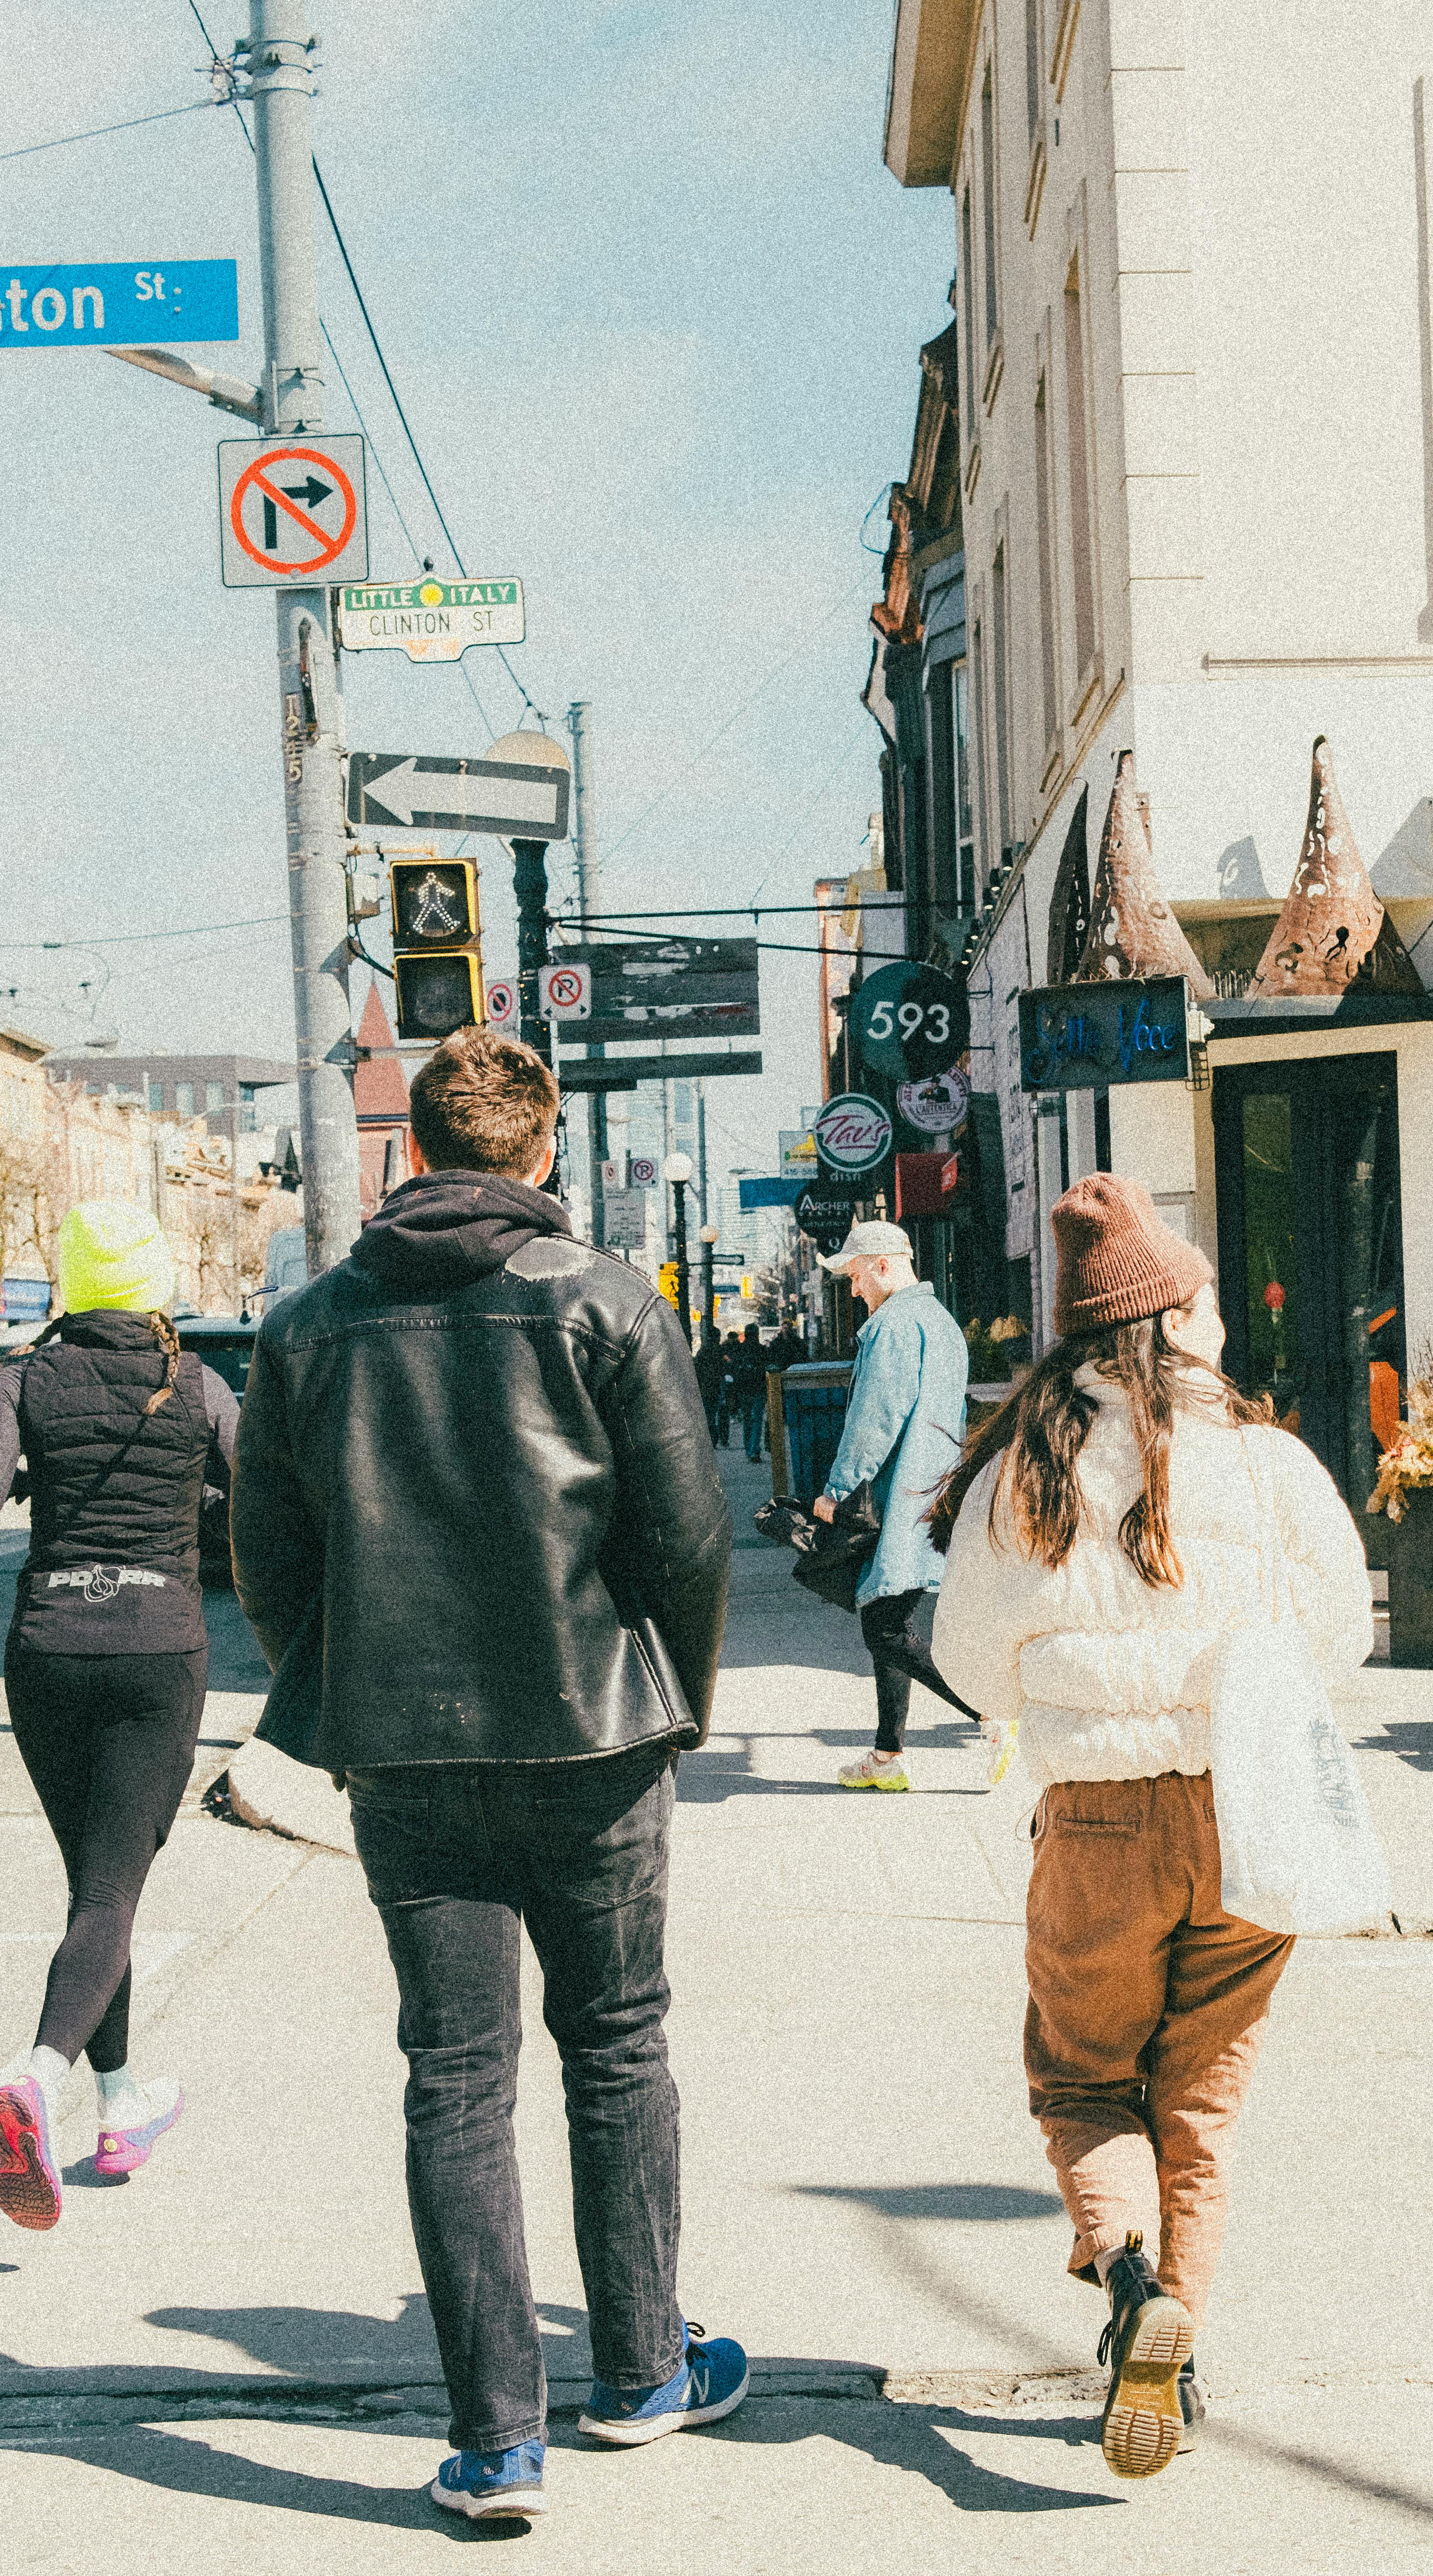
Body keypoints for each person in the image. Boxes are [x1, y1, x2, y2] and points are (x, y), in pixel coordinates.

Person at [230, 1027, 746, 2525]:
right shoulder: (600, 1299)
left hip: (405, 1750)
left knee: (454, 2076)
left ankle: (493, 2440)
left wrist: (338, 1677)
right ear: (541, 1152)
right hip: (596, 1736)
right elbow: (690, 1531)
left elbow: (271, 1550)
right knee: (617, 2043)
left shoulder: (314, 1321)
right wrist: (676, 1696)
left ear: (413, 1150)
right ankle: (642, 2371)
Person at [930, 1174, 1371, 2480]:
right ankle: (1177, 2320)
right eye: (1206, 1298)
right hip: (1247, 1816)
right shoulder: (1268, 1458)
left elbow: (969, 1659)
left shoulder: (1027, 1466)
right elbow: (1339, 1634)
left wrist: (1057, 1690)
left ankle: (1128, 2284)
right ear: (1173, 1321)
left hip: (1099, 1825)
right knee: (1203, 2096)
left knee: (1078, 2075)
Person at [0, 1204, 238, 2231]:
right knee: (110, 1889)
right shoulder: (195, 1383)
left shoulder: (21, 1380)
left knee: (100, 1888)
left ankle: (122, 2100)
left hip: (48, 1649)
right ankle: (36, 2076)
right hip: (156, 1652)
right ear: (153, 1287)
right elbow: (272, 1495)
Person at [811, 1220, 992, 1791]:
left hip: (892, 1497)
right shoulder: (941, 1324)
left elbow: (874, 1421)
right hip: (928, 1492)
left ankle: (990, 1714)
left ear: (885, 1265)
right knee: (888, 1618)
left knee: (886, 1628)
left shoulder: (891, 1326)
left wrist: (837, 1492)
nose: (853, 1288)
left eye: (857, 1274)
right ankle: (886, 1757)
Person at [733, 1323, 766, 1463]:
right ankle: (754, 1450)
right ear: (757, 1334)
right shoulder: (762, 1350)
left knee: (747, 1420)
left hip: (744, 1390)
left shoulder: (740, 1350)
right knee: (757, 1420)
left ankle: (749, 1450)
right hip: (759, 1389)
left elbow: (734, 1370)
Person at [695, 1326, 730, 1448]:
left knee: (709, 1416)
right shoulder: (721, 1351)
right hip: (720, 1387)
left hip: (706, 1389)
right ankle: (724, 1438)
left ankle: (712, 1440)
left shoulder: (702, 1351)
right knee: (723, 1414)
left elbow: (697, 1370)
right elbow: (726, 1367)